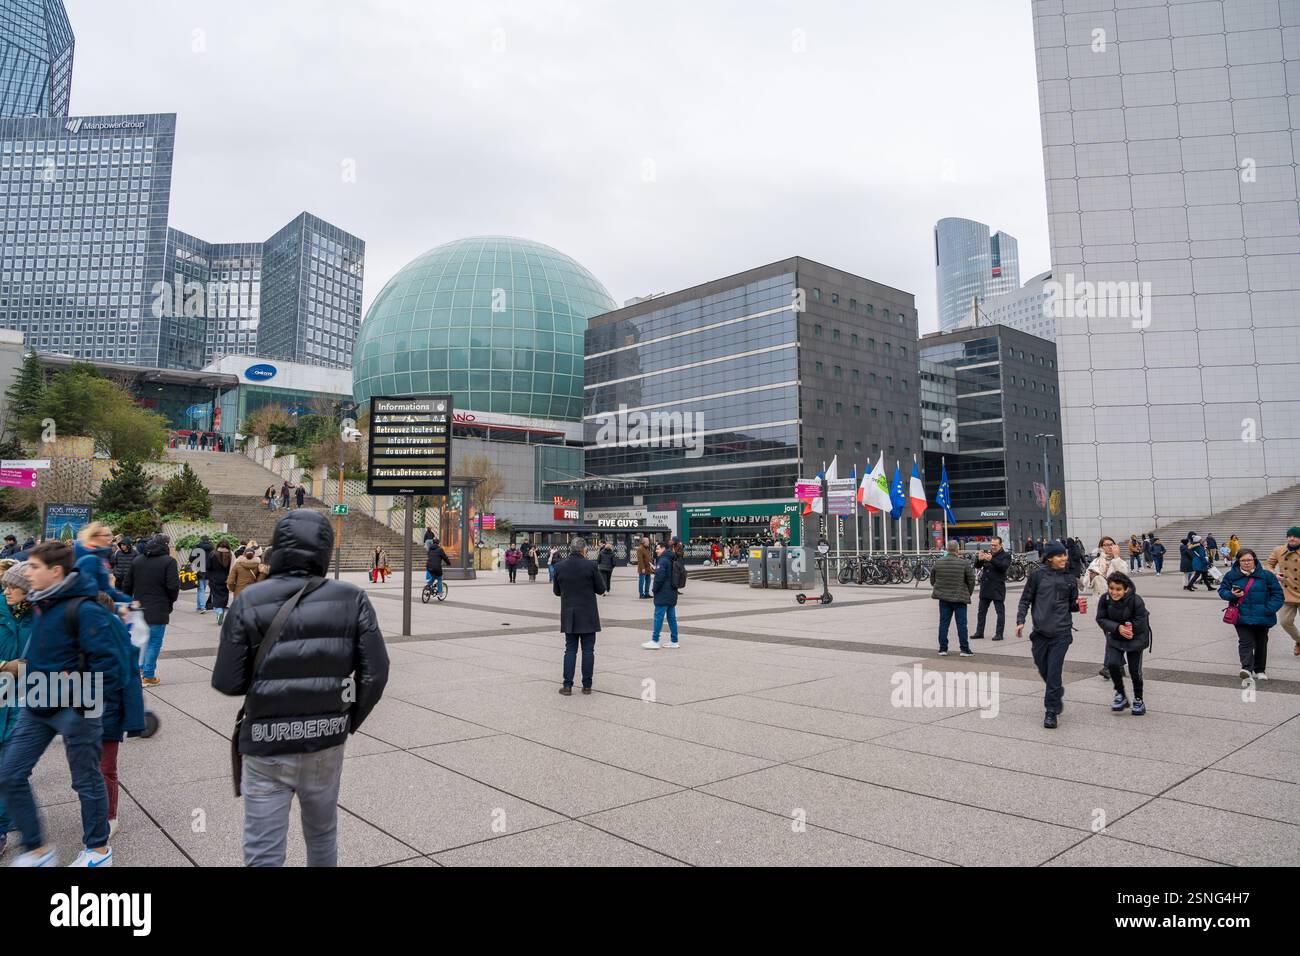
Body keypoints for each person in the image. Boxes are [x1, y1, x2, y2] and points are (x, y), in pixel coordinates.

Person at [212, 509, 389, 867]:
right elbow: (376, 673)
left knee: (263, 848)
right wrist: (346, 719)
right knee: (322, 833)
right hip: (325, 739)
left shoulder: (249, 600)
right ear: (325, 550)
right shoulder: (352, 598)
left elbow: (228, 681)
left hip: (265, 740)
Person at [0, 541, 131, 867]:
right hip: (37, 704)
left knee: (86, 780)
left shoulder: (83, 609)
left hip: (75, 708)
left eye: (33, 567)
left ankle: (98, 852)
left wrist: (74, 697)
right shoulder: (42, 603)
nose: (26, 572)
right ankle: (37, 850)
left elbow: (112, 668)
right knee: (10, 774)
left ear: (55, 571)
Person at [1017, 541, 1084, 729]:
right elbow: (1025, 600)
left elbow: (1072, 605)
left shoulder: (1070, 578)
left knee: (1054, 671)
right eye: (1060, 555)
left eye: (1065, 555)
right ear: (1049, 558)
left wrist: (1078, 606)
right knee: (1043, 667)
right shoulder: (1037, 576)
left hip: (1061, 633)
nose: (1064, 558)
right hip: (1040, 633)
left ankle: (1051, 711)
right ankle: (1056, 692)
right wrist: (1020, 620)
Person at [0, 560, 35, 857]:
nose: (7, 590)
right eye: (6, 585)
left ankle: (4, 825)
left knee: (11, 770)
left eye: (13, 586)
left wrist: (24, 667)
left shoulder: (40, 615)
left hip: (25, 701)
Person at [1219, 549, 1285, 684]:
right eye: (1243, 560)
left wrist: (1269, 609)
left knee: (1261, 643)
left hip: (1263, 616)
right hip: (1241, 615)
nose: (1246, 563)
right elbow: (1222, 590)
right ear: (1238, 562)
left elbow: (1278, 595)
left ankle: (1260, 670)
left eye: (1249, 560)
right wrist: (1231, 595)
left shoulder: (1267, 576)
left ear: (1255, 559)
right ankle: (1246, 668)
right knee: (1245, 642)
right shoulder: (1231, 576)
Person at [551, 536, 605, 695]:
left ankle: (567, 685)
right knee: (588, 650)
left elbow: (556, 591)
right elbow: (601, 589)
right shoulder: (591, 565)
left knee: (570, 650)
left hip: (569, 614)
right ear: (584, 550)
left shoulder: (559, 566)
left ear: (570, 549)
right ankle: (587, 685)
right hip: (588, 614)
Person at [1096, 571, 1151, 716]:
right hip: (1115, 637)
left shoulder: (1136, 600)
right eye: (1111, 588)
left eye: (1118, 589)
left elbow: (1141, 620)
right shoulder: (1105, 599)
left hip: (1135, 639)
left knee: (1135, 671)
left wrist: (1129, 626)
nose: (1114, 592)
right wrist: (1117, 627)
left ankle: (1138, 699)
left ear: (1126, 589)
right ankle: (1120, 694)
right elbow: (1101, 619)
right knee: (1113, 664)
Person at [130, 534, 180, 687]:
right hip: (158, 607)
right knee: (154, 642)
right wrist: (170, 601)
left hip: (138, 607)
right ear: (165, 545)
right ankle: (149, 674)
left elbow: (127, 583)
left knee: (139, 640)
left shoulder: (137, 560)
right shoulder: (169, 561)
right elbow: (173, 586)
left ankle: (137, 671)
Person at [930, 540, 976, 657]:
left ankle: (942, 649)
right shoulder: (964, 563)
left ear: (947, 549)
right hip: (960, 598)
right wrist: (967, 593)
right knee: (961, 624)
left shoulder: (938, 562)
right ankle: (964, 649)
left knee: (943, 624)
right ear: (957, 549)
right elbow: (971, 580)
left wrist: (941, 589)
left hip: (943, 598)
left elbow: (932, 580)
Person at [1264, 527, 1300, 658]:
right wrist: (1274, 573)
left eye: (1295, 536)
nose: (1292, 538)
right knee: (1285, 622)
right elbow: (1268, 565)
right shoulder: (1279, 550)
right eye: (1290, 536)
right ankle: (1299, 641)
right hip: (1287, 591)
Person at [642, 540, 681, 649]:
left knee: (658, 617)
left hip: (663, 593)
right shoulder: (672, 558)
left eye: (658, 548)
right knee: (671, 618)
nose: (656, 550)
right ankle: (674, 641)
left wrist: (654, 590)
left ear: (663, 548)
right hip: (672, 592)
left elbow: (659, 579)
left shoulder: (663, 560)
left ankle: (655, 640)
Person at [972, 536, 1011, 641]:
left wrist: (992, 559)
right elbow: (977, 566)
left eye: (995, 545)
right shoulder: (989, 553)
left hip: (997, 587)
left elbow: (1003, 567)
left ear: (1001, 545)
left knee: (1000, 612)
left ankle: (999, 634)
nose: (993, 547)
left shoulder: (1006, 555)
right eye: (992, 545)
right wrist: (979, 559)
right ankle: (979, 632)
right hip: (986, 586)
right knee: (981, 611)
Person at [208, 539, 233, 625]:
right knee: (224, 595)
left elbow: (208, 567)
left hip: (214, 578)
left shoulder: (213, 554)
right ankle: (222, 609)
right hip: (226, 578)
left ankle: (219, 611)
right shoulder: (230, 554)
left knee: (215, 595)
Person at [187, 534, 214, 614]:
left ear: (201, 540)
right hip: (209, 571)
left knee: (200, 589)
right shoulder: (212, 548)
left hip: (199, 570)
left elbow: (191, 559)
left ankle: (202, 607)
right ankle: (199, 606)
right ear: (208, 540)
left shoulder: (197, 548)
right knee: (203, 588)